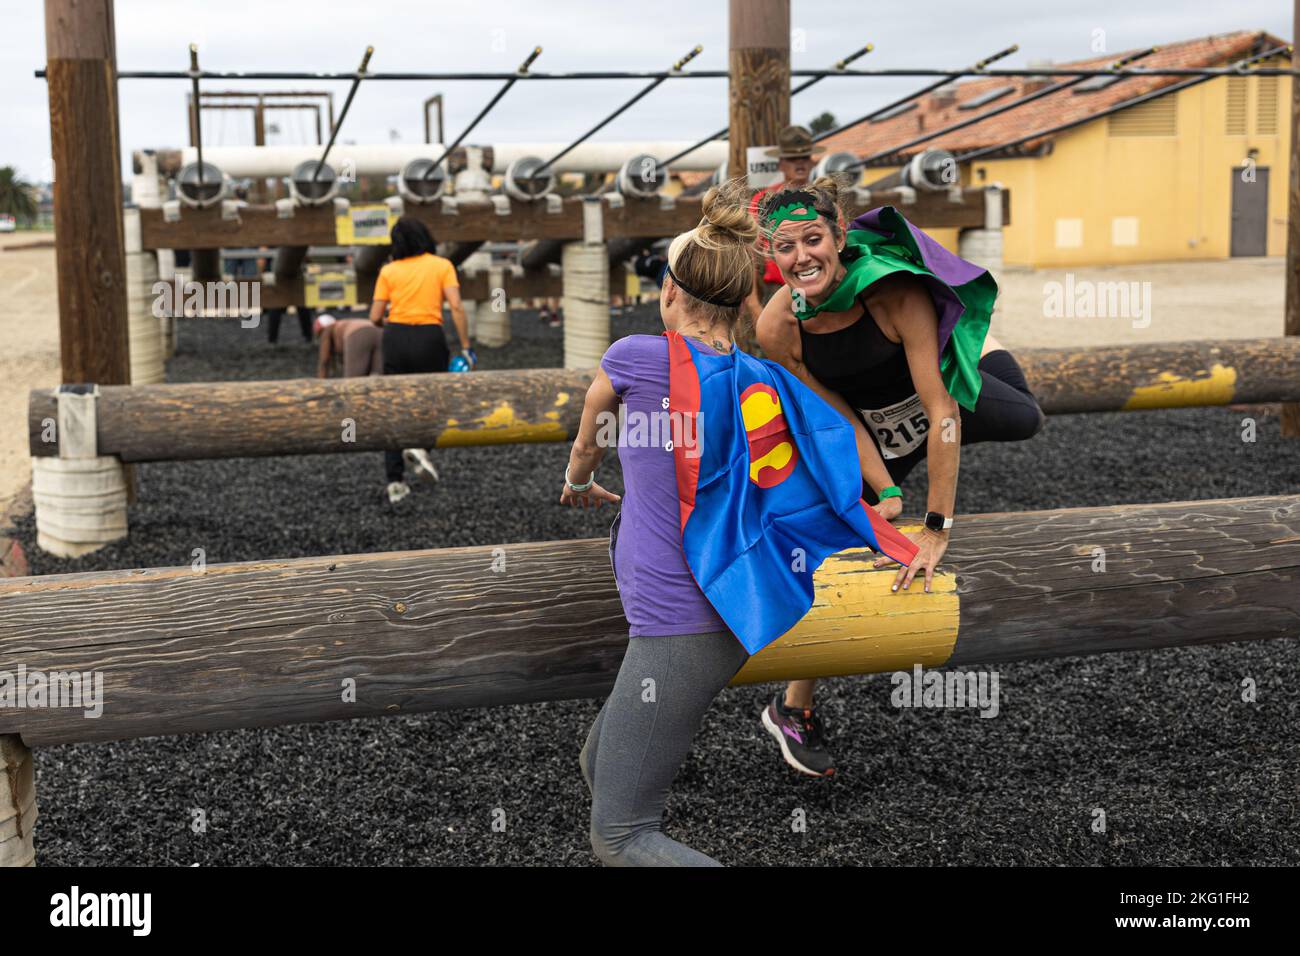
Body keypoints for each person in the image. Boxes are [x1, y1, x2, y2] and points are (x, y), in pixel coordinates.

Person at [561, 181, 917, 866]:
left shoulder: (636, 358)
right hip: (723, 613)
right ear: (742, 300)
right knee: (599, 760)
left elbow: (586, 442)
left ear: (670, 292)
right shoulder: (762, 380)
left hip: (676, 627)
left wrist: (579, 482)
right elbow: (820, 451)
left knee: (621, 836)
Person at [753, 176, 1046, 777]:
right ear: (772, 257)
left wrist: (935, 526)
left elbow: (941, 413)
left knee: (1025, 418)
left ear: (839, 235)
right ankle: (791, 709)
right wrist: (883, 486)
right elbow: (832, 413)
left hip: (933, 406)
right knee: (837, 544)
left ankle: (973, 340)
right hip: (873, 439)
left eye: (814, 238)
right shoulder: (778, 328)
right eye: (786, 247)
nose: (802, 256)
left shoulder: (893, 295)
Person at [369, 217, 474, 504]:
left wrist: (392, 326)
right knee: (433, 399)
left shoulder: (388, 271)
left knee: (395, 404)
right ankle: (421, 447)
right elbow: (455, 306)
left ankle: (395, 481)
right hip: (430, 337)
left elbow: (375, 316)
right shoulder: (442, 266)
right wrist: (465, 347)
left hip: (395, 337)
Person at [741, 125, 823, 331]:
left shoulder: (825, 200)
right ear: (781, 163)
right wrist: (753, 304)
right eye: (793, 158)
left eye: (804, 157)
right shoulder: (763, 202)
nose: (800, 163)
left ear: (812, 160)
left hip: (821, 290)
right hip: (779, 292)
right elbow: (749, 255)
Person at [314, 311, 382, 378]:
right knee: (379, 376)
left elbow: (324, 360)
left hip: (358, 334)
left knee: (353, 381)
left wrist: (320, 382)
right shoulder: (343, 325)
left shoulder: (327, 329)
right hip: (378, 330)